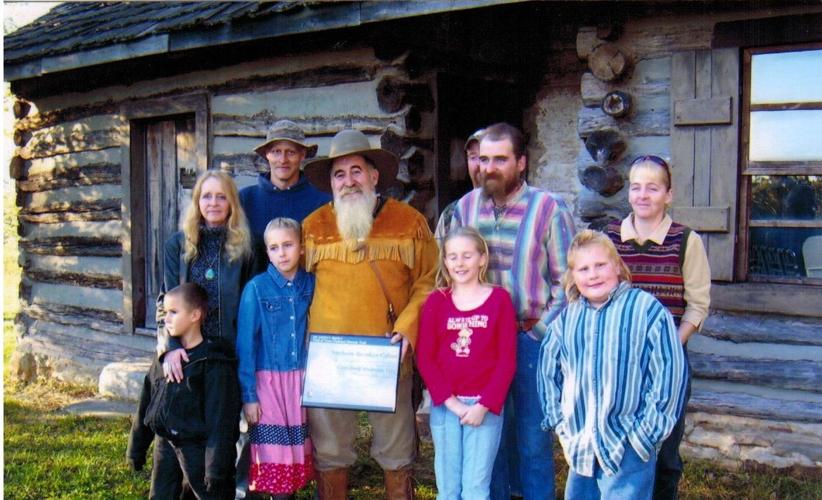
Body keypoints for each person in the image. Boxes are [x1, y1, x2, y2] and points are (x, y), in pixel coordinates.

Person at [302, 128, 438, 499]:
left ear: (374, 176)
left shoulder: (409, 222)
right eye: (339, 174)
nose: (349, 181)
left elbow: (428, 280)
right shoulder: (312, 227)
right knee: (330, 453)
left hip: (387, 355)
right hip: (329, 360)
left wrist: (409, 327)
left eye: (356, 171)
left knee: (396, 452)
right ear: (331, 182)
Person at [446, 122, 576, 500]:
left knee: (533, 441)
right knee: (490, 442)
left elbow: (568, 285)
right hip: (479, 344)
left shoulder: (549, 208)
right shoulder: (466, 208)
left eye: (500, 159)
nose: (489, 168)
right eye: (483, 159)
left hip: (530, 338)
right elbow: (451, 274)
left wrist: (537, 333)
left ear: (521, 162)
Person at [538, 230, 687, 500]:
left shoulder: (646, 311)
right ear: (573, 276)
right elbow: (548, 372)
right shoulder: (566, 320)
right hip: (581, 446)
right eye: (583, 269)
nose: (592, 274)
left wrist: (646, 435)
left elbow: (669, 372)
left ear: (617, 266)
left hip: (627, 447)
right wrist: (561, 425)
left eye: (600, 265)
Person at [605, 155, 710, 499]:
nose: (643, 195)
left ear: (668, 194)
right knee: (617, 447)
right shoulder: (608, 238)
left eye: (652, 187)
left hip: (667, 366)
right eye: (636, 187)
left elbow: (697, 306)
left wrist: (669, 347)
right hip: (616, 365)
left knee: (664, 453)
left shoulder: (686, 241)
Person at [416, 226, 516, 500]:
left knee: (475, 487)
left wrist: (483, 405)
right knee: (448, 488)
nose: (459, 263)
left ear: (482, 258)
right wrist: (452, 403)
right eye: (452, 256)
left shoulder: (499, 300)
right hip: (447, 407)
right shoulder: (437, 301)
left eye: (467, 256)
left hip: (484, 409)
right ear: (445, 261)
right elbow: (425, 357)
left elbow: (507, 360)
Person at [128, 283, 241, 500]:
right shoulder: (164, 361)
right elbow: (146, 400)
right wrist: (137, 448)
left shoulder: (214, 363)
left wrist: (215, 468)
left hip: (197, 451)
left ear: (195, 315)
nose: (166, 319)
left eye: (173, 312)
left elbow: (222, 420)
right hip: (166, 445)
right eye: (165, 312)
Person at [236, 218, 315, 499]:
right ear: (266, 252)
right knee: (274, 457)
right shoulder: (257, 289)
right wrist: (249, 396)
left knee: (296, 455)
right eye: (274, 247)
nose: (282, 253)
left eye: (288, 245)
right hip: (268, 384)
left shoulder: (311, 284)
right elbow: (245, 345)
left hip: (300, 381)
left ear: (301, 247)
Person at [160, 170, 255, 380]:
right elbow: (164, 302)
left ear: (232, 203)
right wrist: (171, 347)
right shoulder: (177, 245)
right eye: (207, 196)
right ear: (197, 201)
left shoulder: (248, 249)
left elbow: (253, 309)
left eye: (222, 196)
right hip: (186, 354)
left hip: (229, 356)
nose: (214, 203)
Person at [240, 119, 331, 268]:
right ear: (267, 154)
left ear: (302, 155)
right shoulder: (245, 200)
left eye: (290, 152)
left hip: (309, 289)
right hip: (256, 290)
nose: (283, 160)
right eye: (276, 152)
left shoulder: (321, 200)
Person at [434, 129, 485, 242]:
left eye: (484, 158)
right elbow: (437, 258)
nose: (478, 165)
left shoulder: (517, 211)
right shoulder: (451, 214)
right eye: (473, 157)